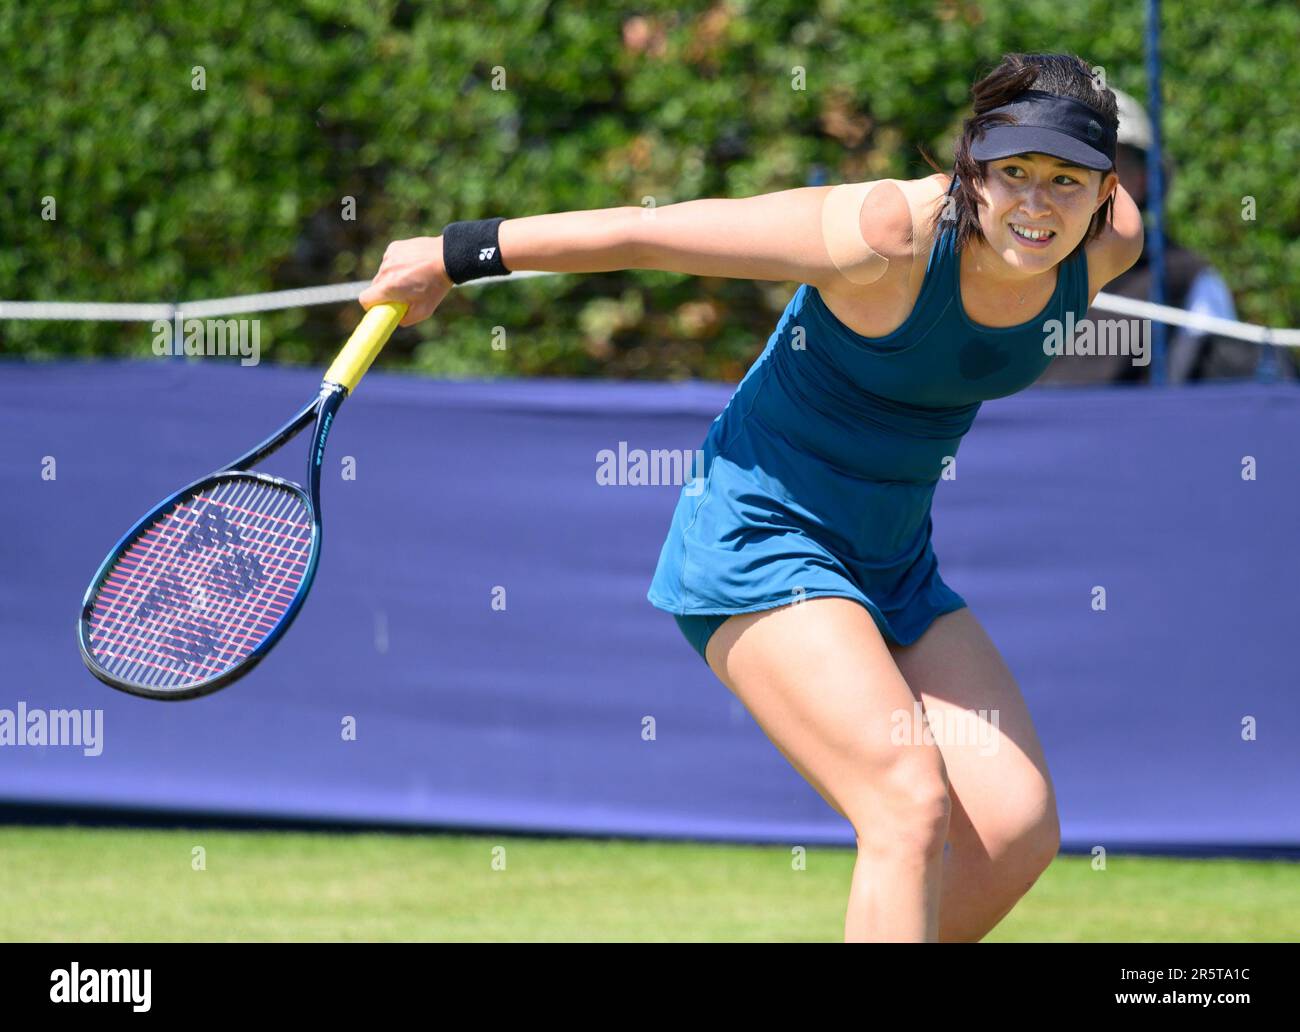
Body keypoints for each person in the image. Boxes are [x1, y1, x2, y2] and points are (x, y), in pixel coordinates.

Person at [358, 51, 1144, 942]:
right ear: (972, 166)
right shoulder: (882, 235)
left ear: (1104, 188)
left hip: (894, 559)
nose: (1037, 204)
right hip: (763, 532)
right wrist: (455, 255)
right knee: (908, 803)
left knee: (1015, 830)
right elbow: (648, 232)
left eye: (1065, 181)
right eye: (1014, 174)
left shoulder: (1109, 246)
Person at [1035, 87, 1267, 384]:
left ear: (1142, 181)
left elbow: (1223, 401)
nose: (1084, 185)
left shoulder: (1187, 278)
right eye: (1066, 170)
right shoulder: (1004, 265)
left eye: (1104, 166)